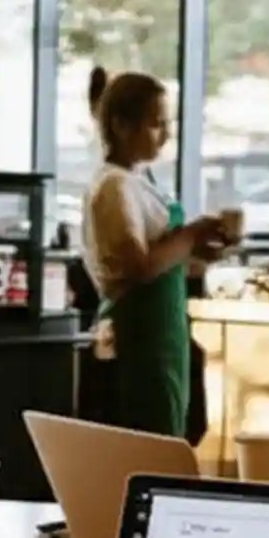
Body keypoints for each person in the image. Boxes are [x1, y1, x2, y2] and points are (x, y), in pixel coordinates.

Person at [83, 66, 225, 437]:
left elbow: (165, 261)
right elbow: (138, 267)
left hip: (166, 335)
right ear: (121, 125)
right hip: (141, 338)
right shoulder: (114, 187)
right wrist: (192, 234)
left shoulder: (140, 181)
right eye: (156, 124)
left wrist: (200, 254)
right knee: (147, 445)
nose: (167, 135)